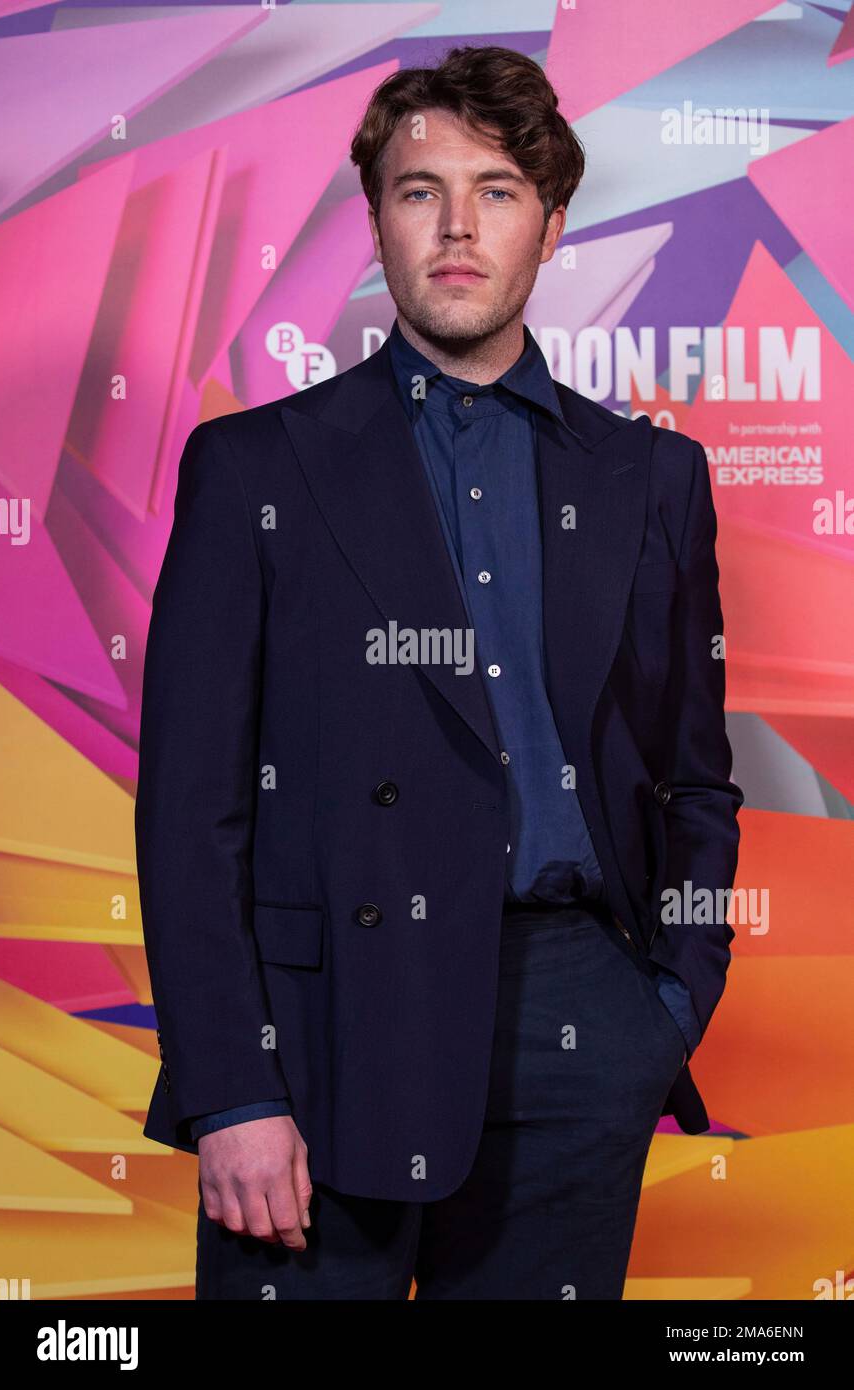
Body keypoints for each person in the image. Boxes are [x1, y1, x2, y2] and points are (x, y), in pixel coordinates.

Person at [135, 44, 743, 1299]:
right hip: (323, 1036)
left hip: (580, 1023)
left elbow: (696, 781)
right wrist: (233, 1087)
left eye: (499, 189)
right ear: (377, 224)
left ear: (552, 226)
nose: (458, 227)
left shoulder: (651, 480)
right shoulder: (255, 468)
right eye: (421, 191)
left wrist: (668, 1007)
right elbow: (189, 810)